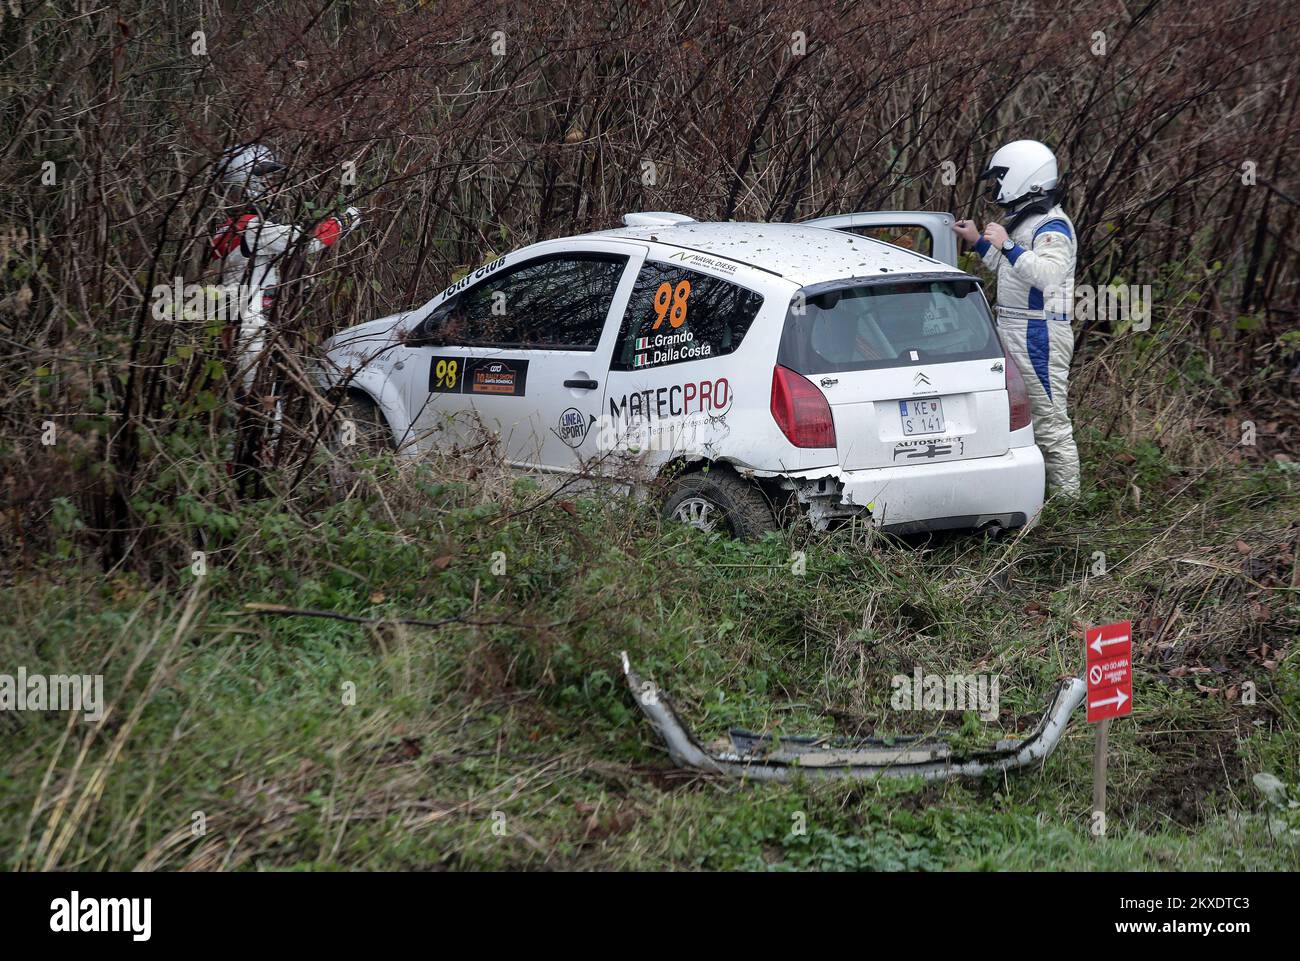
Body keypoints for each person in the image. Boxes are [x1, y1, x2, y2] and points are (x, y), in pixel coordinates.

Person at [952, 139, 1080, 497]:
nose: (996, 186)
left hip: (1038, 330)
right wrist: (979, 241)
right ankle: (1024, 494)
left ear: (1024, 176)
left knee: (1049, 421)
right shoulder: (1027, 220)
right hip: (1013, 325)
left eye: (1001, 178)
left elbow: (1049, 277)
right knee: (1011, 415)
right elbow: (1013, 271)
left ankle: (1069, 505)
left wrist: (1007, 244)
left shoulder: (1052, 227)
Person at [212, 143, 361, 393]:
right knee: (263, 406)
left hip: (242, 324)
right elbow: (307, 240)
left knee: (254, 402)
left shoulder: (227, 227)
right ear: (248, 183)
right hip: (249, 329)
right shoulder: (250, 228)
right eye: (266, 179)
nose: (272, 187)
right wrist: (346, 220)